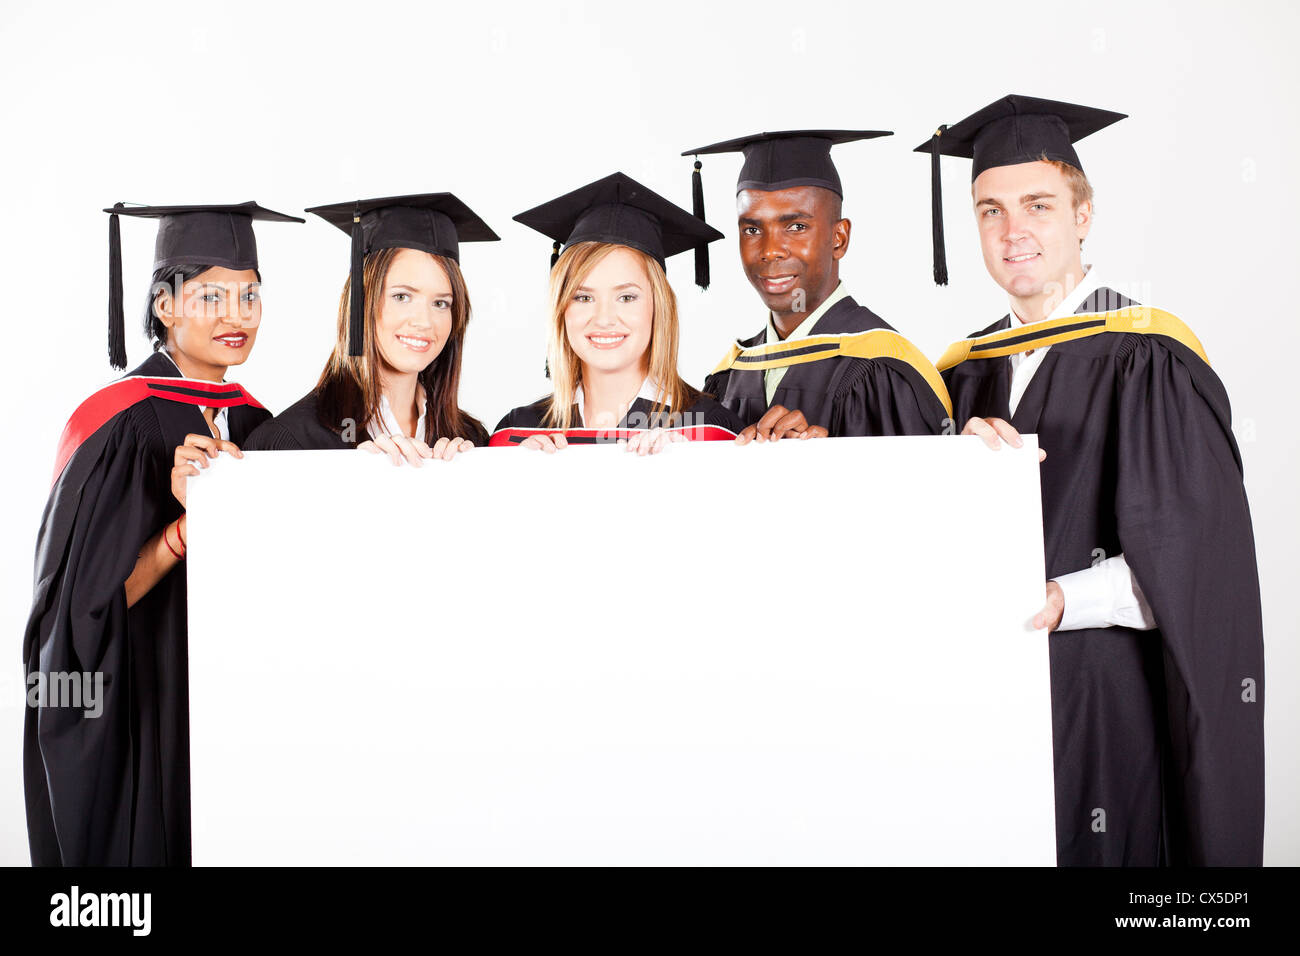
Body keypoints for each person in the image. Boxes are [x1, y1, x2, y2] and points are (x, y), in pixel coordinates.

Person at [921, 94, 1265, 866]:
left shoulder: (1149, 355)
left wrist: (1064, 598)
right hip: (984, 700)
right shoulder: (960, 372)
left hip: (1103, 698)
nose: (1014, 233)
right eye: (990, 211)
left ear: (1082, 215)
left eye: (1038, 205)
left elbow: (1195, 569)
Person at [24, 201, 302, 865]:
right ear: (164, 304)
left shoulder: (263, 425)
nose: (236, 316)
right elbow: (80, 617)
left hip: (241, 709)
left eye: (250, 296)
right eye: (210, 295)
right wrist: (184, 531)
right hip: (145, 711)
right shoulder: (118, 423)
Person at [681, 130, 951, 441]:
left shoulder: (883, 369)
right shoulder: (728, 375)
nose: (770, 250)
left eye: (796, 226)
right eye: (753, 229)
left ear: (839, 238)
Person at [494, 172, 743, 455]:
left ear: (658, 306)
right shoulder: (518, 432)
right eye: (583, 297)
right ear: (561, 309)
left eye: (626, 297)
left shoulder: (710, 430)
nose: (604, 318)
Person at [244, 194, 496, 464]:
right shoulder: (294, 442)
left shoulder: (470, 439)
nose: (424, 321)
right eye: (402, 297)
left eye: (440, 303)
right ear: (361, 301)